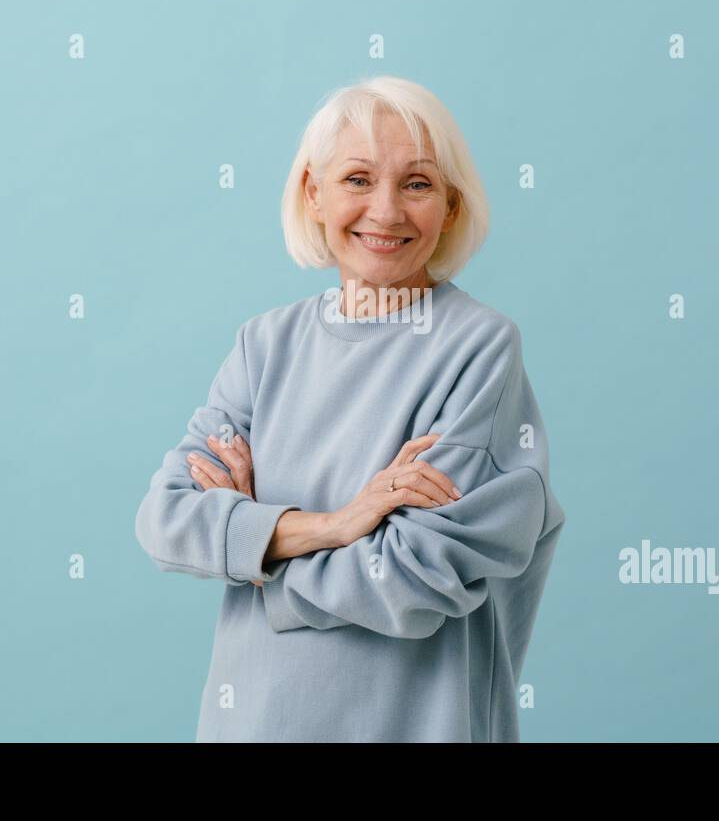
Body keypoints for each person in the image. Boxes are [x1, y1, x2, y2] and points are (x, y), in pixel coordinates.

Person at [134, 75, 565, 741]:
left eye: (417, 184)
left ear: (451, 205)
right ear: (313, 192)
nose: (386, 211)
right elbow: (165, 517)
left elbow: (414, 578)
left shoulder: (479, 349)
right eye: (358, 179)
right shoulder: (264, 345)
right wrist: (336, 524)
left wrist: (255, 549)